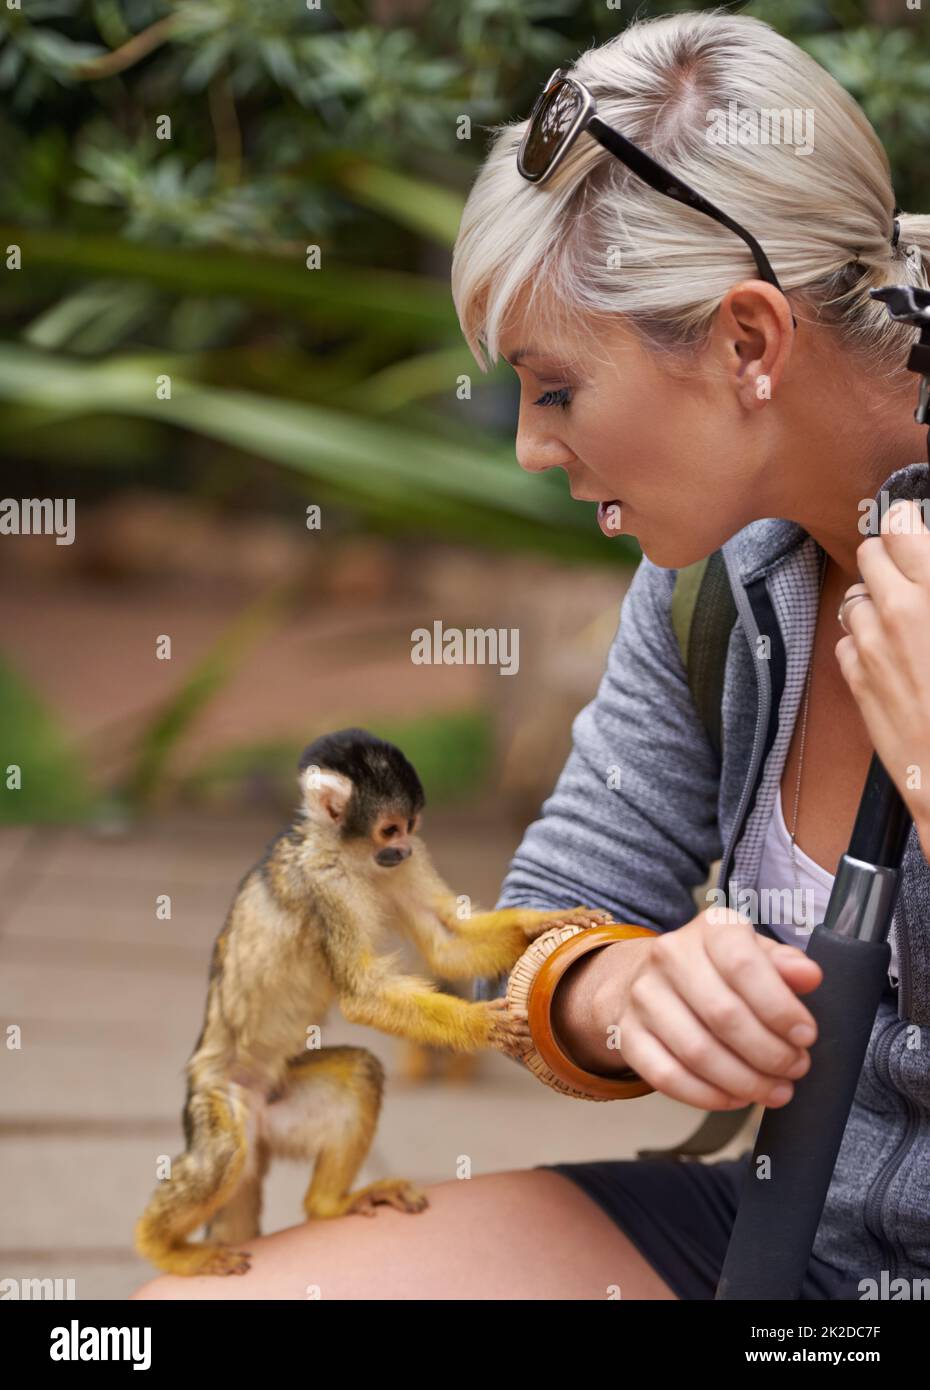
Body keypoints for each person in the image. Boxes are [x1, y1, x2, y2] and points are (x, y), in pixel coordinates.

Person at [132, 9, 930, 1300]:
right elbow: (548, 919)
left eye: (555, 387)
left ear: (748, 341)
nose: (527, 447)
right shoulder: (720, 565)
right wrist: (623, 990)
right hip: (792, 1244)